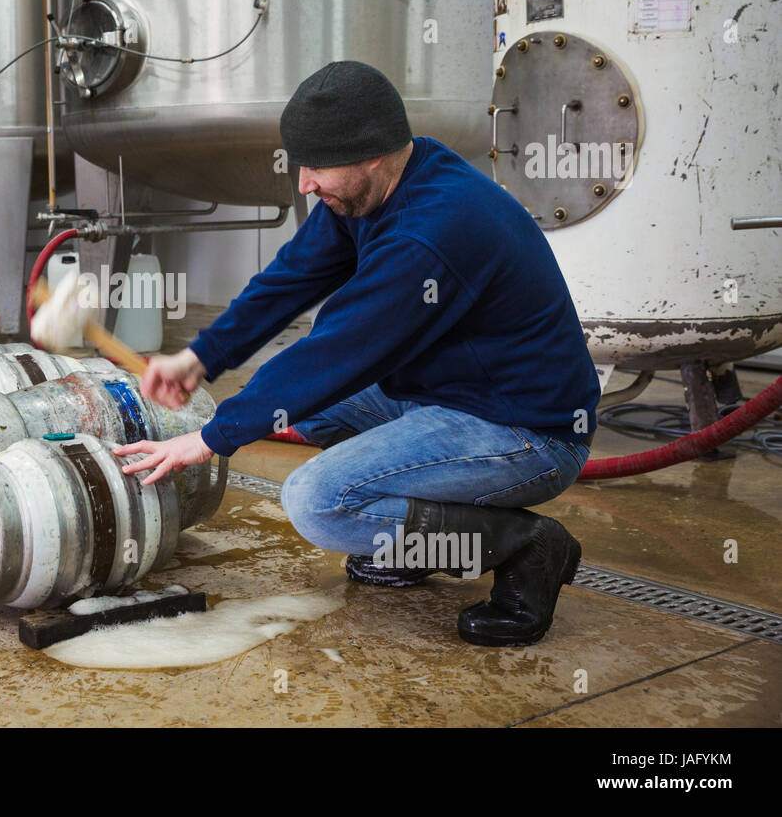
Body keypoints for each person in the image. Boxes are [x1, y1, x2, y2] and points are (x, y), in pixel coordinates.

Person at [115, 60, 599, 647]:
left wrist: (211, 437)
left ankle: (525, 546)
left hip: (527, 432)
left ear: (371, 155)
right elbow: (291, 276)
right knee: (313, 411)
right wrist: (200, 358)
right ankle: (419, 538)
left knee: (318, 502)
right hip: (444, 396)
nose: (304, 184)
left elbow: (337, 351)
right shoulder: (382, 185)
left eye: (317, 167)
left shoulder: (433, 230)